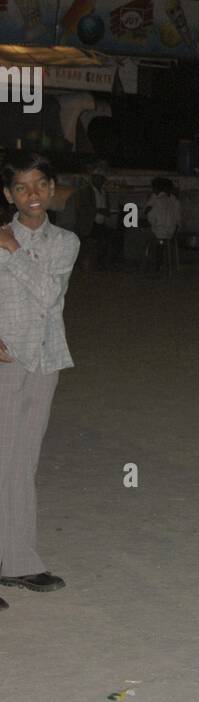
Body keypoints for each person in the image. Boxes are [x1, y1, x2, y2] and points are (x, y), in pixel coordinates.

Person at [0, 151, 80, 607]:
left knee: (21, 465)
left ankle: (19, 562)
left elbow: (50, 295)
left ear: (51, 189)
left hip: (45, 362)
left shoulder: (65, 242)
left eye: (40, 185)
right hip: (6, 363)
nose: (32, 195)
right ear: (8, 194)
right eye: (21, 188)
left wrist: (11, 251)